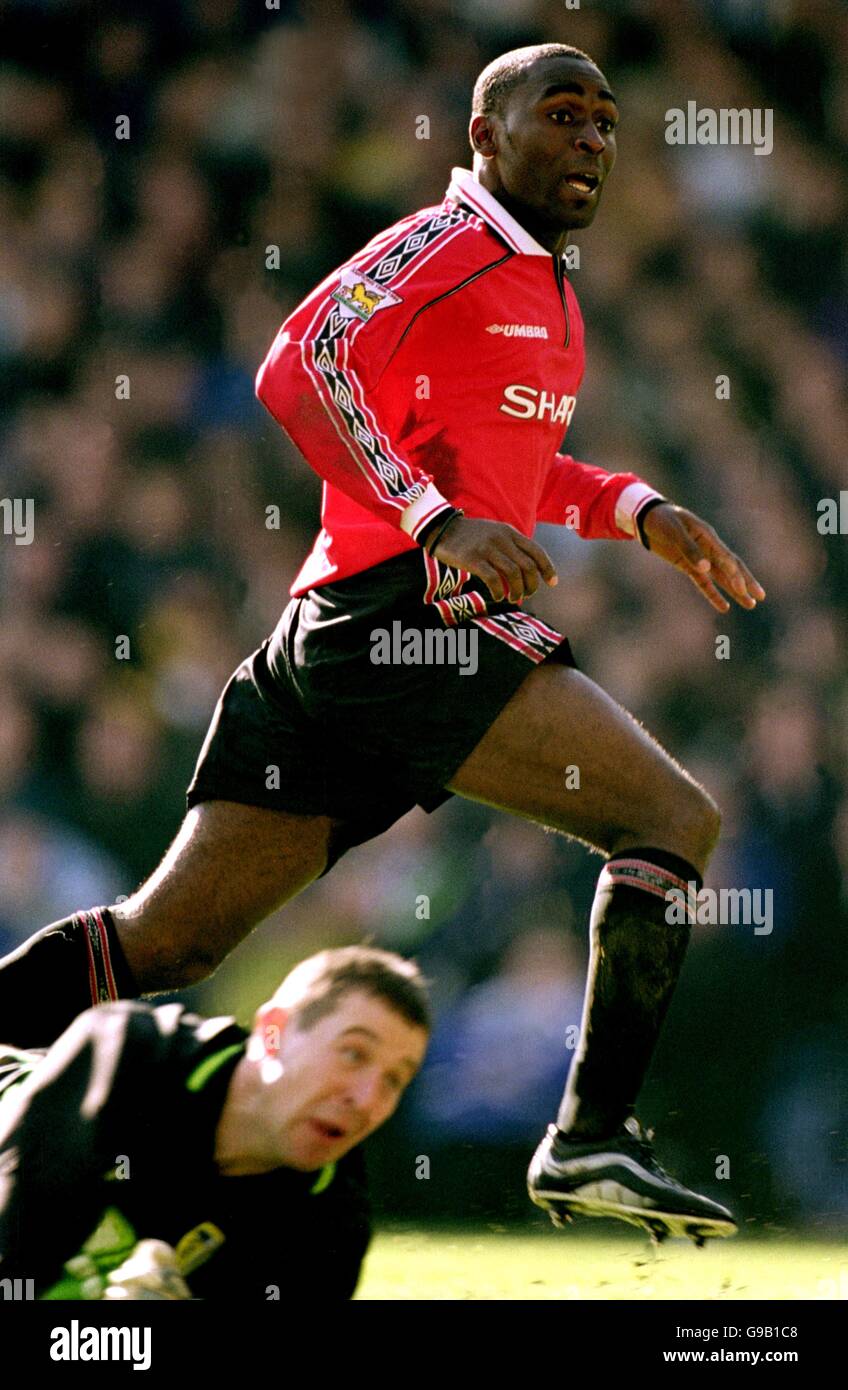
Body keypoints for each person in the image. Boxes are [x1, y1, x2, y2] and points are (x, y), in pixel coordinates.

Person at [0, 43, 764, 1241]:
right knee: (670, 820)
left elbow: (502, 473)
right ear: (481, 135)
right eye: (558, 115)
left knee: (167, 939)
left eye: (606, 123)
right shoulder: (444, 245)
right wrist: (433, 519)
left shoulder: (545, 288)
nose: (589, 141)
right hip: (397, 618)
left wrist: (631, 508)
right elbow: (298, 362)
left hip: (340, 640)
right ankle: (589, 1136)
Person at [0, 946, 429, 1300]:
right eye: (353, 1053)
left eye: (395, 1079)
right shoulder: (127, 1057)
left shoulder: (332, 1228)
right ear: (273, 1033)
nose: (367, 1099)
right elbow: (15, 1265)